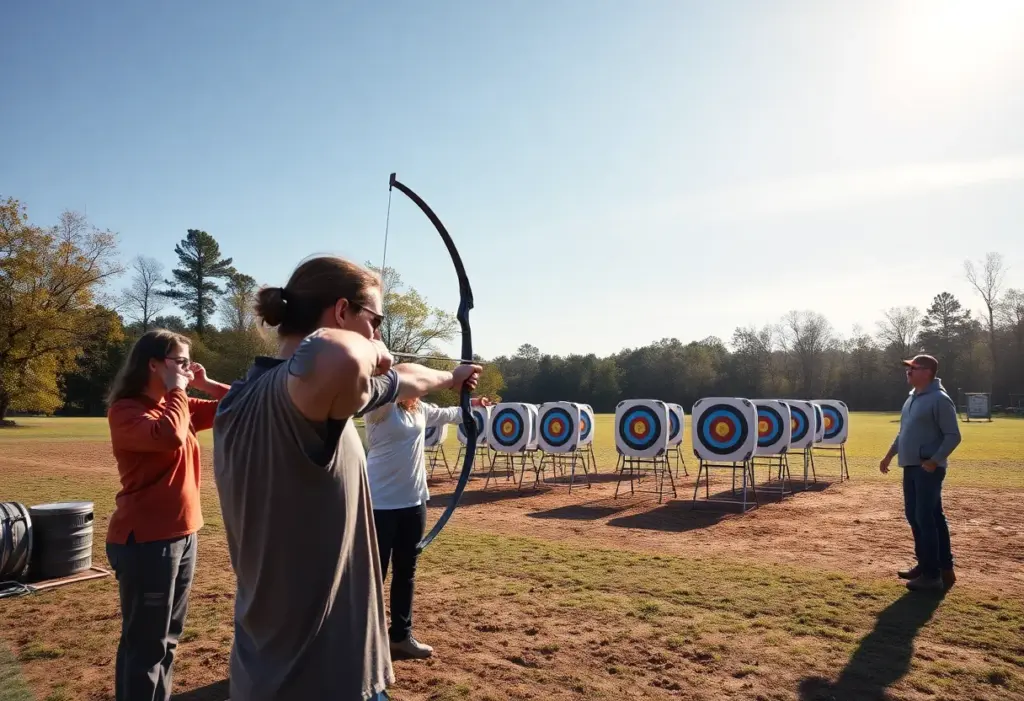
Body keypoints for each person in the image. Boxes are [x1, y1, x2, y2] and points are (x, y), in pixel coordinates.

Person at [212, 255, 481, 701]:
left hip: (262, 672)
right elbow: (337, 356)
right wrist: (370, 350)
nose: (377, 334)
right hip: (323, 677)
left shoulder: (243, 397)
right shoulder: (300, 392)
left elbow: (408, 378)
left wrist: (450, 378)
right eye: (374, 320)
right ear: (341, 312)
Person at [105, 329, 231, 701]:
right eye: (180, 362)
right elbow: (169, 437)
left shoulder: (179, 404)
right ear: (154, 364)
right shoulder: (126, 410)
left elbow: (238, 402)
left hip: (184, 534)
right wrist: (178, 390)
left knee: (169, 638)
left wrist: (205, 383)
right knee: (146, 644)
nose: (187, 370)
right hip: (146, 541)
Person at [364, 393, 493, 659]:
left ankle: (400, 636)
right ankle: (362, 639)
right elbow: (397, 387)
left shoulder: (420, 408)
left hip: (413, 502)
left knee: (406, 570)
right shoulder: (380, 407)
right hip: (379, 503)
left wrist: (473, 402)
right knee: (374, 573)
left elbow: (450, 414)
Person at [879, 354, 962, 592]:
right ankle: (934, 566)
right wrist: (889, 455)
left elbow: (953, 436)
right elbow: (903, 433)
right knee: (921, 517)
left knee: (924, 517)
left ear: (927, 372)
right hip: (911, 466)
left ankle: (932, 575)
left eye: (912, 369)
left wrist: (935, 460)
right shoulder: (912, 399)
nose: (908, 372)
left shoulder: (939, 399)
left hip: (928, 468)